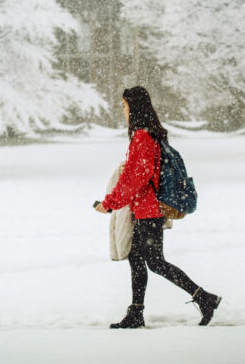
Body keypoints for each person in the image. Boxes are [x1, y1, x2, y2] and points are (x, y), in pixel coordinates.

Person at [94, 86, 221, 328]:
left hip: (148, 211)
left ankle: (204, 298)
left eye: (124, 106)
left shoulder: (142, 136)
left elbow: (135, 178)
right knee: (137, 259)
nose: (123, 111)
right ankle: (136, 312)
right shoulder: (148, 134)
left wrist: (109, 203)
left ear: (134, 107)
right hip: (143, 209)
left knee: (155, 262)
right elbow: (134, 175)